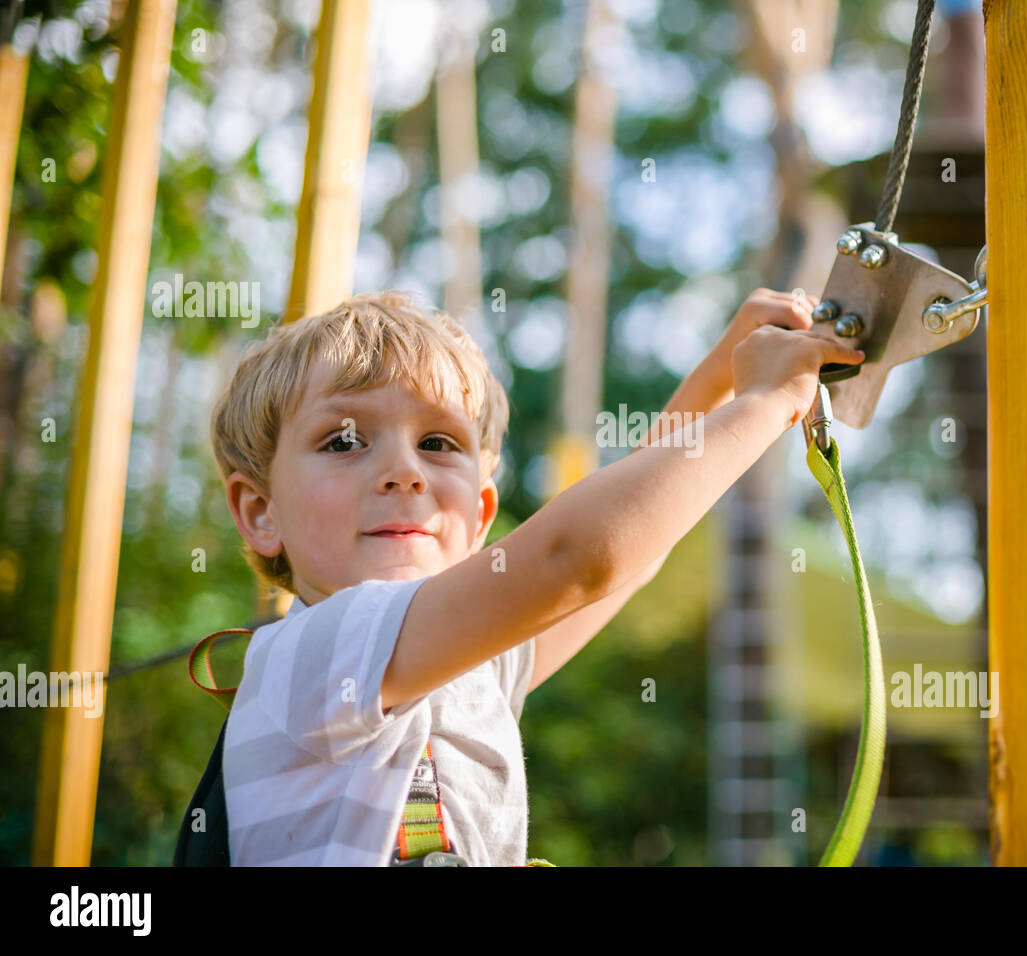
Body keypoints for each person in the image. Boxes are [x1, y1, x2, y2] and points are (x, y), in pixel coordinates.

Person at [208, 288, 865, 866]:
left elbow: (627, 560)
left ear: (480, 515)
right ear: (262, 512)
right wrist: (766, 401)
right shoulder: (313, 654)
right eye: (345, 440)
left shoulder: (472, 672)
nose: (403, 471)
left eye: (438, 442)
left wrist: (721, 373)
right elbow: (579, 560)